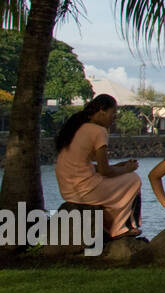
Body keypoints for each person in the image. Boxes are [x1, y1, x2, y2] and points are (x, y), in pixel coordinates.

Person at [54, 94, 142, 238]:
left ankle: (109, 224)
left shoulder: (76, 127)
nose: (114, 118)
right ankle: (122, 227)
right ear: (102, 111)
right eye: (113, 113)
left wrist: (118, 166)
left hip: (68, 190)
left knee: (123, 179)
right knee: (133, 179)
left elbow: (82, 165)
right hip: (85, 191)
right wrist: (126, 169)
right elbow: (105, 170)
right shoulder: (98, 131)